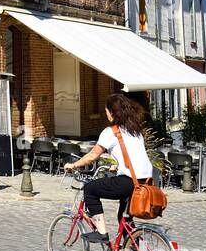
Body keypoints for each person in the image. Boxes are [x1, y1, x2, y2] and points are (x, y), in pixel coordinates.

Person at [63, 93, 153, 243]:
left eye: (106, 111)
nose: (106, 114)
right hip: (145, 182)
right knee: (124, 218)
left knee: (90, 189)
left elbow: (92, 155)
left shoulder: (111, 132)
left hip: (129, 182)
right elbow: (133, 155)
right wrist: (117, 166)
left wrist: (73, 165)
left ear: (112, 112)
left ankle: (101, 233)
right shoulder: (135, 131)